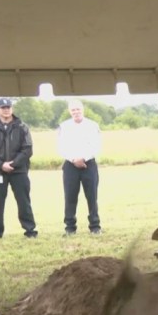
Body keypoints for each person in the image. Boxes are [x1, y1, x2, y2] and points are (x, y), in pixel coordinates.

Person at [0, 98, 37, 241]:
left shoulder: (22, 126)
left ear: (12, 108)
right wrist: (1, 165)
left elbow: (27, 149)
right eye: (3, 107)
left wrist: (14, 164)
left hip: (19, 171)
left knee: (24, 202)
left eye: (8, 107)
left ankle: (30, 231)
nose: (6, 110)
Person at [57, 99, 102, 235]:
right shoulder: (64, 126)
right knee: (70, 197)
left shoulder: (92, 125)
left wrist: (84, 158)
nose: (76, 112)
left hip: (89, 164)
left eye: (78, 109)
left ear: (83, 110)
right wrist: (73, 159)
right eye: (73, 110)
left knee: (92, 196)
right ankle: (70, 227)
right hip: (70, 165)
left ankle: (95, 226)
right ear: (69, 111)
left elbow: (96, 145)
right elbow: (61, 147)